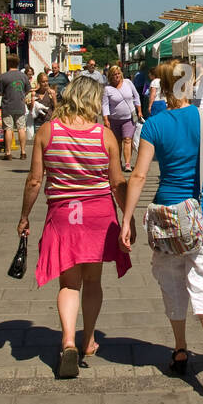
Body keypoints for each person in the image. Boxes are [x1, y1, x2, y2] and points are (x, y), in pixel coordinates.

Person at [120, 61, 203, 395]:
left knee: (172, 282)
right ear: (190, 86)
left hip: (169, 217)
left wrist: (126, 219)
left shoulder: (155, 126)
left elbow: (140, 176)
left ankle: (179, 350)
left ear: (162, 85)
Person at [17, 76, 131, 379]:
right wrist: (127, 218)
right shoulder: (105, 136)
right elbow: (117, 182)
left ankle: (67, 339)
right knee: (93, 281)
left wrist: (24, 216)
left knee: (69, 283)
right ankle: (88, 339)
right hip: (97, 216)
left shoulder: (47, 132)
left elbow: (34, 181)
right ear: (93, 101)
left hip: (64, 216)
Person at [103, 64, 142, 171]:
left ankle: (128, 163)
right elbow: (105, 105)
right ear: (110, 76)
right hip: (114, 119)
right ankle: (117, 161)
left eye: (118, 74)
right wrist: (105, 119)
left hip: (129, 118)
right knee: (117, 142)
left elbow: (136, 96)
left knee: (128, 139)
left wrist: (139, 110)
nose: (117, 76)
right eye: (114, 74)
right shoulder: (107, 89)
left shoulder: (128, 83)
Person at [0, 54, 30, 160]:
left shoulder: (3, 76)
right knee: (21, 128)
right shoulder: (23, 76)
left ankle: (8, 153)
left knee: (8, 129)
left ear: (8, 63)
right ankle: (23, 152)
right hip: (20, 105)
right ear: (17, 63)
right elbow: (27, 89)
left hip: (7, 106)